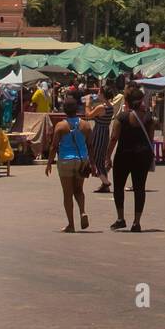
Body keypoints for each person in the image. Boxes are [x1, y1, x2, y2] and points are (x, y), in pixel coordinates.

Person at [107, 84, 154, 232]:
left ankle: (120, 218)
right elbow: (151, 139)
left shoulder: (122, 117)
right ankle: (136, 222)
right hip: (142, 156)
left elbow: (114, 138)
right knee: (140, 189)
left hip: (124, 155)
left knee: (119, 187)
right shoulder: (148, 118)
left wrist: (107, 156)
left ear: (127, 101)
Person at [45, 95, 91, 231]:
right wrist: (92, 163)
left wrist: (49, 163)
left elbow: (54, 147)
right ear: (77, 109)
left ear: (64, 110)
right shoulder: (85, 125)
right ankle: (82, 211)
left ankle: (71, 225)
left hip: (66, 160)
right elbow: (91, 145)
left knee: (67, 193)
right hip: (82, 160)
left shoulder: (60, 126)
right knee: (79, 190)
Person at [85, 82, 116, 193]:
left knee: (94, 157)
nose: (97, 93)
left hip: (98, 132)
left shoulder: (101, 107)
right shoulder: (110, 106)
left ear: (103, 94)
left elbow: (88, 115)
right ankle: (105, 184)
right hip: (105, 132)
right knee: (100, 158)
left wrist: (88, 104)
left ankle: (106, 182)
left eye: (99, 92)